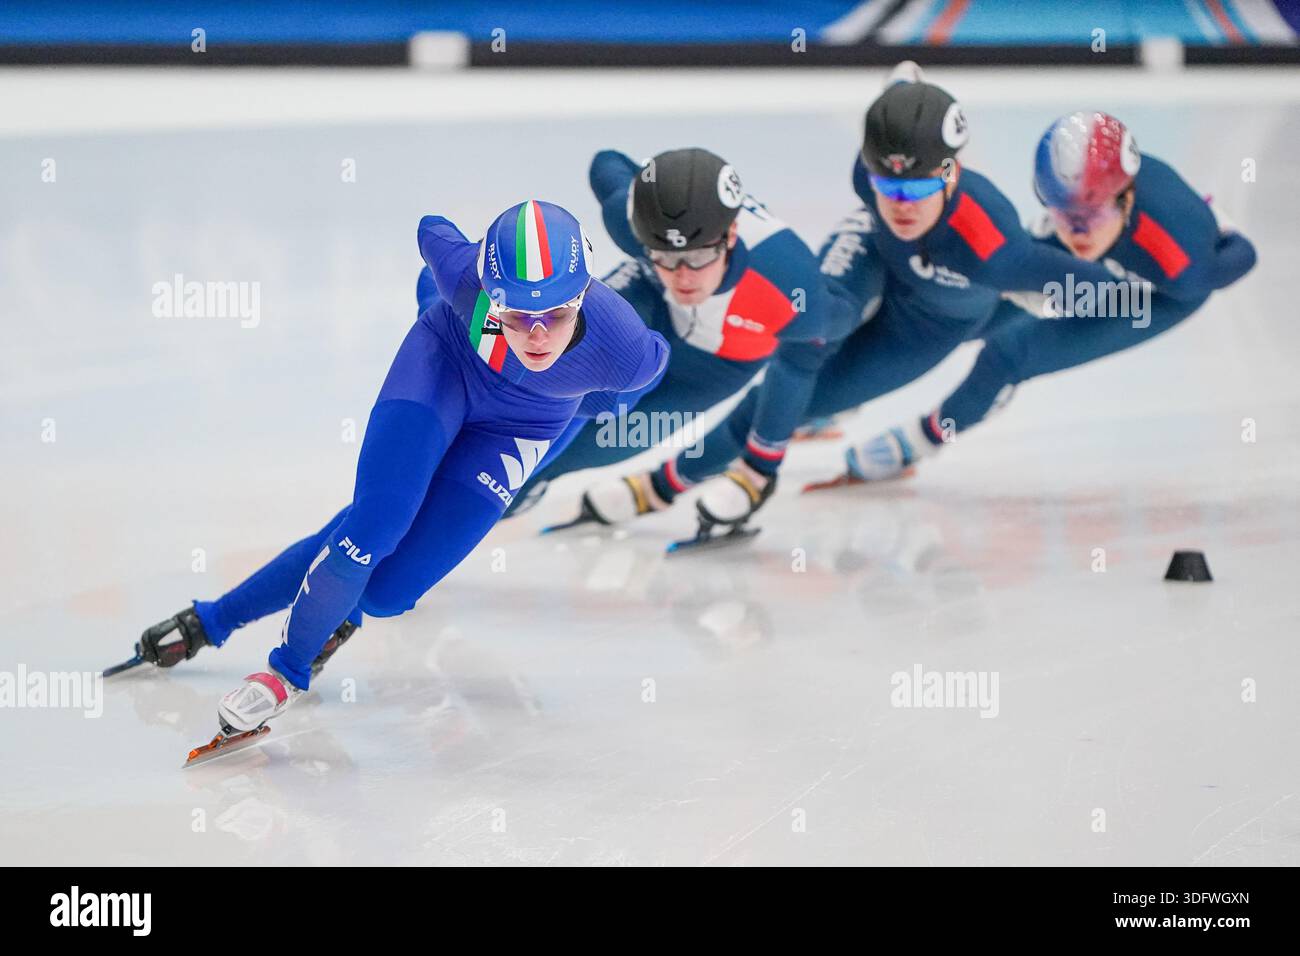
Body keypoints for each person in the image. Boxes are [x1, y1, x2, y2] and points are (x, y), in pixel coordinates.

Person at [135, 200, 669, 735]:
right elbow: (431, 230)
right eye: (513, 316)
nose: (535, 335)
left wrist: (577, 408)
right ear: (488, 293)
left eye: (554, 315)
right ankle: (283, 673)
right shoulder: (465, 278)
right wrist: (433, 303)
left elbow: (639, 383)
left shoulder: (624, 349)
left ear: (582, 296)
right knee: (376, 523)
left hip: (521, 429)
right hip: (442, 371)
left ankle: (230, 618)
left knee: (386, 594)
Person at [680, 64, 1144, 502]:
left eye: (918, 190)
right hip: (890, 264)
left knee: (998, 351)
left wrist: (1118, 284)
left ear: (949, 175)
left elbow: (1104, 288)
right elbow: (902, 89)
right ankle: (772, 438)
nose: (901, 202)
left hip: (951, 311)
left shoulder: (995, 250)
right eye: (890, 186)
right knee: (812, 328)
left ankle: (849, 418)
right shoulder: (869, 173)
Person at [842, 110, 1257, 479]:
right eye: (1061, 211)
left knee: (1007, 355)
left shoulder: (1179, 264)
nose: (1076, 231)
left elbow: (1244, 255)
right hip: (1118, 247)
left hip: (1153, 294)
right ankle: (847, 389)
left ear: (1126, 197)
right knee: (971, 314)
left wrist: (1220, 224)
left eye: (1090, 216)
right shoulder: (1085, 209)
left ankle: (919, 441)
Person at [504, 147, 834, 531]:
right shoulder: (633, 221)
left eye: (698, 258)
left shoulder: (790, 282)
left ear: (730, 235)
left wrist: (761, 467)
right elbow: (606, 163)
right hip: (648, 300)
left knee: (568, 455)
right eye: (664, 255)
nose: (683, 276)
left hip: (717, 365)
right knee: (547, 392)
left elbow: (799, 366)